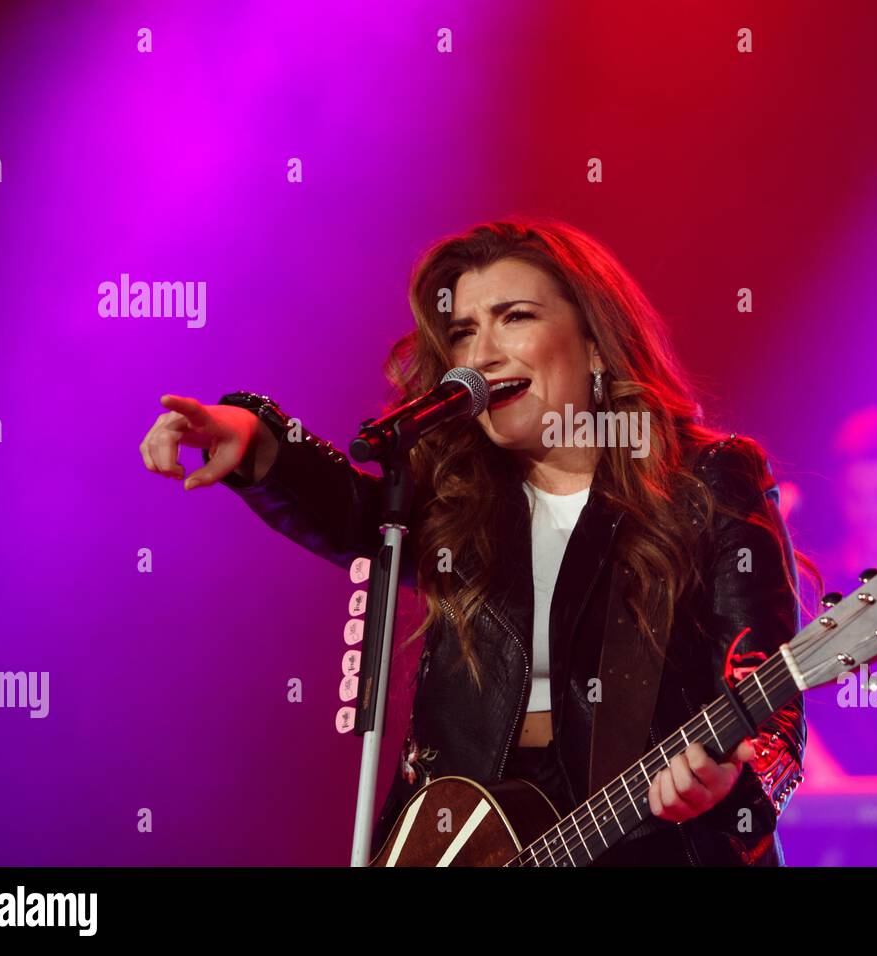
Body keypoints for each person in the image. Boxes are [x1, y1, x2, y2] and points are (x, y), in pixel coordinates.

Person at [139, 217, 819, 866]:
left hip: (647, 845)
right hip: (459, 842)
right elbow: (351, 510)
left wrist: (732, 778)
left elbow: (770, 699)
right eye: (463, 332)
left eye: (515, 317)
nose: (481, 353)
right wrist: (257, 435)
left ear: (593, 342)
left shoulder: (704, 479)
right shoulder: (463, 502)